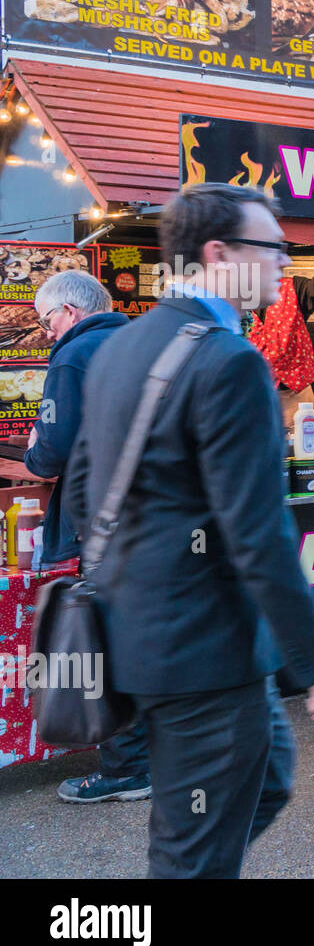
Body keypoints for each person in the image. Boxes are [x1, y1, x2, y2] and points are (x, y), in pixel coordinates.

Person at [64, 183, 314, 878]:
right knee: (190, 855)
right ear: (218, 254)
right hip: (202, 654)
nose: (285, 261)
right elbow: (256, 532)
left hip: (148, 637)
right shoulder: (230, 361)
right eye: (272, 246)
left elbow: (80, 483)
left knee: (270, 777)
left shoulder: (120, 346)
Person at [22, 271, 147, 803]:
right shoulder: (143, 344)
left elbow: (49, 452)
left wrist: (33, 445)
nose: (48, 333)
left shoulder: (73, 355)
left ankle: (127, 771)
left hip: (103, 523)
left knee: (108, 645)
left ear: (70, 312)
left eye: (47, 321)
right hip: (157, 519)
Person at [247, 242, 314, 429]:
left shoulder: (294, 289)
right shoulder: (229, 297)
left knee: (303, 453)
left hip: (294, 396)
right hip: (249, 395)